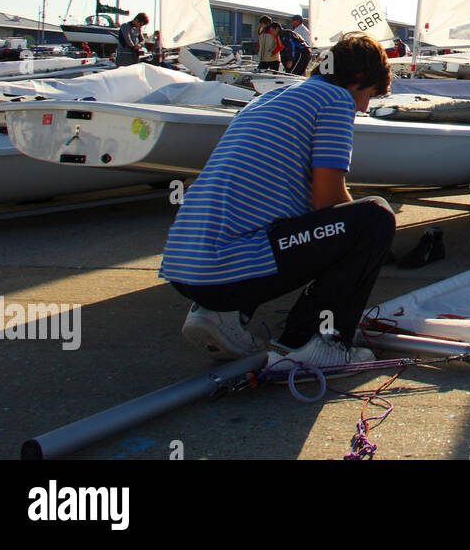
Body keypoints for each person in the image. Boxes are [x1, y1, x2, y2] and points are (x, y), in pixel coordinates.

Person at [161, 33, 396, 368]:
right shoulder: (336, 100)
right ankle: (312, 343)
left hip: (186, 268)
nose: (364, 107)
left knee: (288, 216)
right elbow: (327, 201)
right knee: (375, 218)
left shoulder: (272, 98)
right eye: (369, 95)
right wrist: (373, 249)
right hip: (221, 273)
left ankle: (220, 314)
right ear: (358, 80)